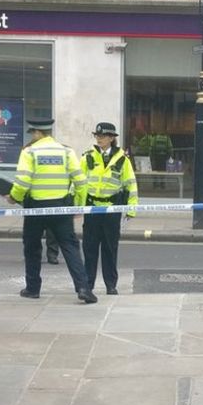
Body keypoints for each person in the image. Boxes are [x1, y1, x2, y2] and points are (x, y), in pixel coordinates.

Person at [6, 119, 97, 303]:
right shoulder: (66, 151)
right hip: (61, 206)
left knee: (32, 247)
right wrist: (78, 205)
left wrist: (13, 197)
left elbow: (23, 181)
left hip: (36, 207)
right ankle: (83, 288)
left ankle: (33, 288)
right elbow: (80, 181)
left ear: (36, 132)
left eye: (32, 133)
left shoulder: (29, 152)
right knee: (70, 247)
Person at [81, 122, 139, 295]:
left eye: (103, 136)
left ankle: (110, 285)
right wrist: (76, 206)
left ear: (112, 138)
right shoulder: (87, 157)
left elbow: (131, 184)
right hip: (92, 209)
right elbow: (78, 183)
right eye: (97, 136)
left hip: (112, 209)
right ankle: (87, 285)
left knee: (110, 249)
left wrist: (131, 208)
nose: (99, 138)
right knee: (89, 249)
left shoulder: (122, 159)